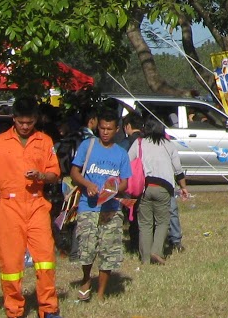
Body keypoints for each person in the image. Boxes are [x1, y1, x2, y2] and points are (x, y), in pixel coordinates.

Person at [0, 97, 61, 318]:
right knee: (10, 263)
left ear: (36, 119)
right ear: (13, 119)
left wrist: (41, 175)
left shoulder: (44, 141)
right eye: (21, 122)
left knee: (45, 257)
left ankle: (49, 308)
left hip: (36, 205)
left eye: (29, 122)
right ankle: (14, 309)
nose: (25, 126)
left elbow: (54, 174)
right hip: (9, 207)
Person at [69, 108, 133, 302]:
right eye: (102, 128)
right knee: (86, 249)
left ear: (117, 130)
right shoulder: (87, 146)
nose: (105, 132)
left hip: (111, 209)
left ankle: (101, 294)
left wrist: (113, 189)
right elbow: (74, 172)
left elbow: (125, 182)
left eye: (109, 129)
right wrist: (87, 184)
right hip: (88, 207)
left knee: (108, 251)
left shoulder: (121, 153)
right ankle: (86, 279)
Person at [125, 115, 186, 266]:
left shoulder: (140, 143)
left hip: (144, 188)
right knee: (162, 222)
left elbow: (127, 161)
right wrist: (183, 187)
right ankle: (156, 251)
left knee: (145, 224)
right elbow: (178, 169)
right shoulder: (169, 145)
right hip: (163, 188)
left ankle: (145, 259)